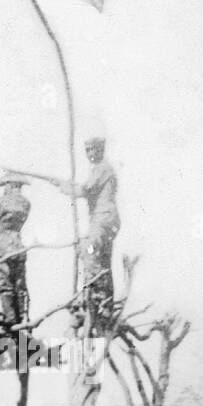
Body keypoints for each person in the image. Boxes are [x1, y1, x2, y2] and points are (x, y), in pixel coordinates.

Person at [53, 136, 119, 329]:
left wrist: (64, 187)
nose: (90, 154)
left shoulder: (102, 168)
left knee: (89, 252)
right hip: (104, 219)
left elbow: (86, 190)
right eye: (87, 150)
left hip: (103, 218)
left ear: (101, 150)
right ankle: (105, 303)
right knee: (103, 259)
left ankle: (98, 299)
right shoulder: (100, 169)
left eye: (93, 150)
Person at [0, 173, 32, 325]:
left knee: (4, 287)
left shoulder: (3, 201)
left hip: (0, 248)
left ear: (10, 185)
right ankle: (23, 319)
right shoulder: (25, 203)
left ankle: (11, 322)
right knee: (19, 287)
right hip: (17, 247)